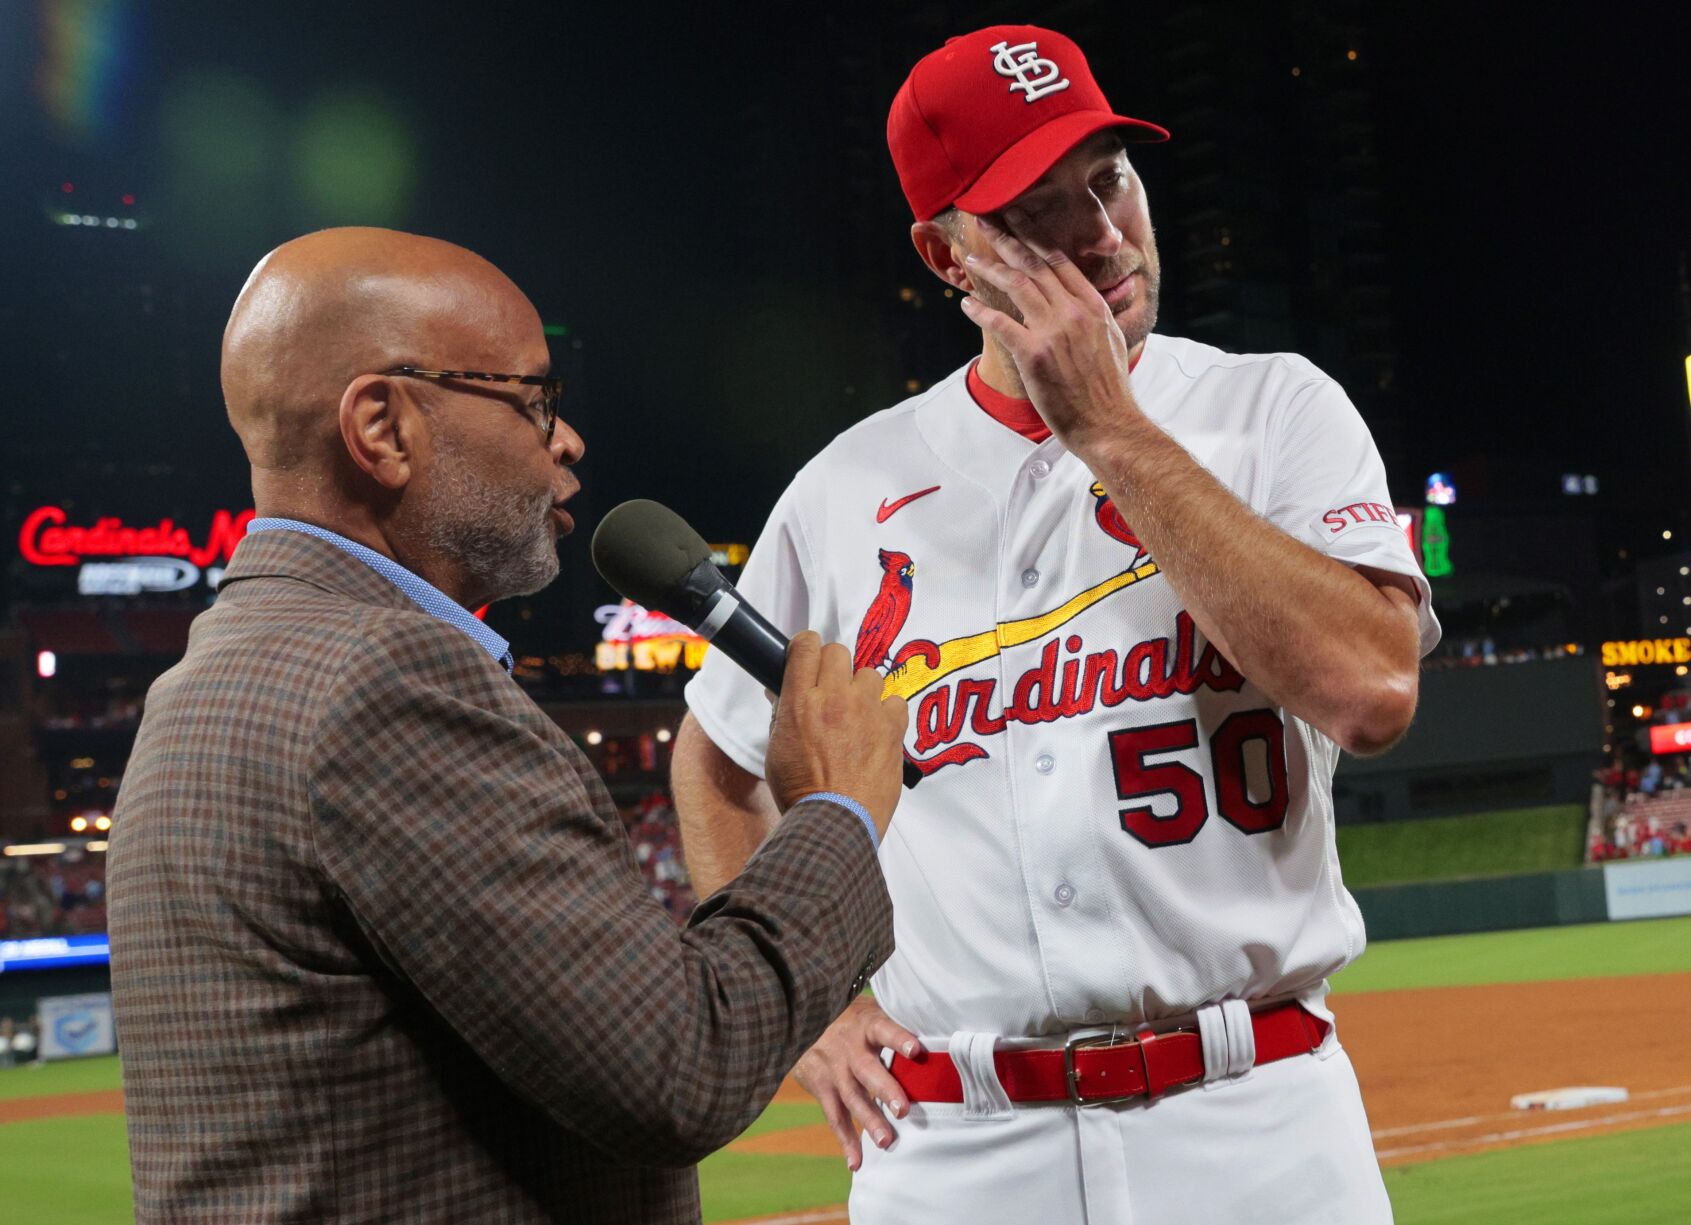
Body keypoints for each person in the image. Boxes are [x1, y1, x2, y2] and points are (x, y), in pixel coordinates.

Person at [673, 25, 1439, 1225]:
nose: (1098, 234)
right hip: (957, 1143)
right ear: (944, 255)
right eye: (1034, 216)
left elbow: (1369, 691)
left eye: (1108, 181)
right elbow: (714, 757)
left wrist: (1114, 437)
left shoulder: (1269, 410)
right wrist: (808, 1012)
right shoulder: (846, 488)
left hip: (1256, 1123)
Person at [106, 227, 910, 1224]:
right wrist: (833, 808)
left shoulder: (209, 673)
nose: (565, 441)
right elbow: (682, 1066)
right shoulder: (386, 679)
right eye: (532, 402)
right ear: (383, 427)